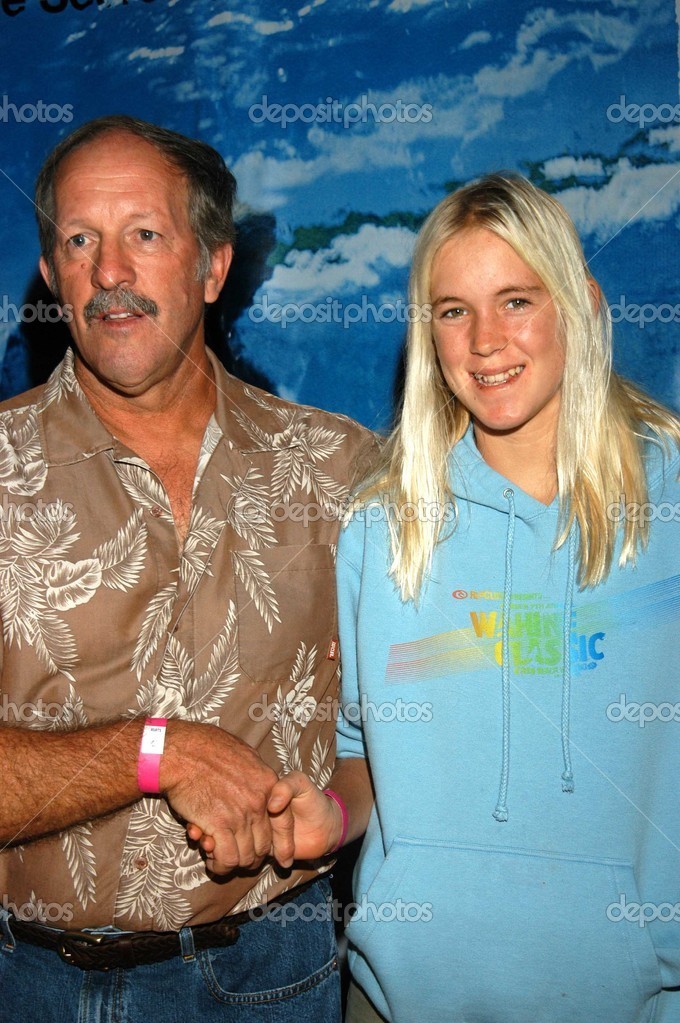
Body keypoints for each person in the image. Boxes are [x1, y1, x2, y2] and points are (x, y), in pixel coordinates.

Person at [265, 173, 680, 1023]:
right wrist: (330, 813)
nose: (485, 340)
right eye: (453, 309)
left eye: (517, 299)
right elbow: (365, 755)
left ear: (581, 301)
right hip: (398, 1002)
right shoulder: (383, 530)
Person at [0, 114, 377, 1022]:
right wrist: (157, 752)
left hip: (277, 971)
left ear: (213, 265)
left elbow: (425, 701)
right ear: (52, 274)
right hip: (31, 984)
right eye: (80, 240)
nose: (110, 273)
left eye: (144, 235)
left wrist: (340, 807)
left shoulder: (340, 469)